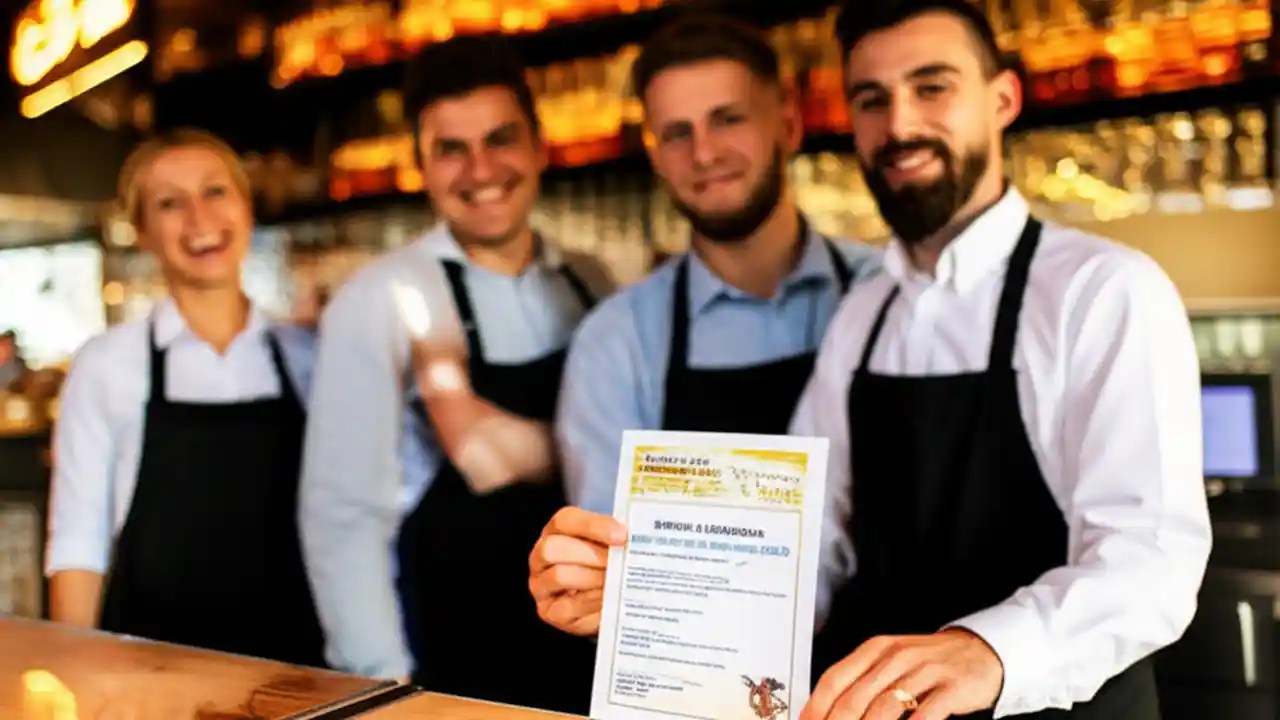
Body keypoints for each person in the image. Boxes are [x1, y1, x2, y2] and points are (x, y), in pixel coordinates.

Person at [529, 2, 1212, 718]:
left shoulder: (1103, 291)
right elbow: (809, 547)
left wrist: (986, 650)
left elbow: (1149, 564)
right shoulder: (864, 314)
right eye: (871, 99)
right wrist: (642, 597)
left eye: (932, 86)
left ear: (1003, 97)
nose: (901, 124)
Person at [299, 33, 611, 713]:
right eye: (451, 149)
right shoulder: (380, 297)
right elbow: (344, 518)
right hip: (453, 655)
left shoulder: (590, 281)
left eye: (501, 138)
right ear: (420, 166)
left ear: (539, 147)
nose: (481, 169)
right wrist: (380, 689)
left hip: (587, 648)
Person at [555, 13, 881, 517]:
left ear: (789, 125)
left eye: (728, 119)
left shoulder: (884, 292)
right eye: (676, 133)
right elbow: (616, 559)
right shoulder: (616, 344)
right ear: (656, 157)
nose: (703, 153)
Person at [44, 129, 326, 667]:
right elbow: (79, 543)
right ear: (143, 232)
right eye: (170, 203)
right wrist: (76, 678)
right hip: (151, 680)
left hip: (300, 677)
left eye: (216, 192)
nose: (199, 219)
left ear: (247, 207)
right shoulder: (106, 366)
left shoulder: (310, 359)